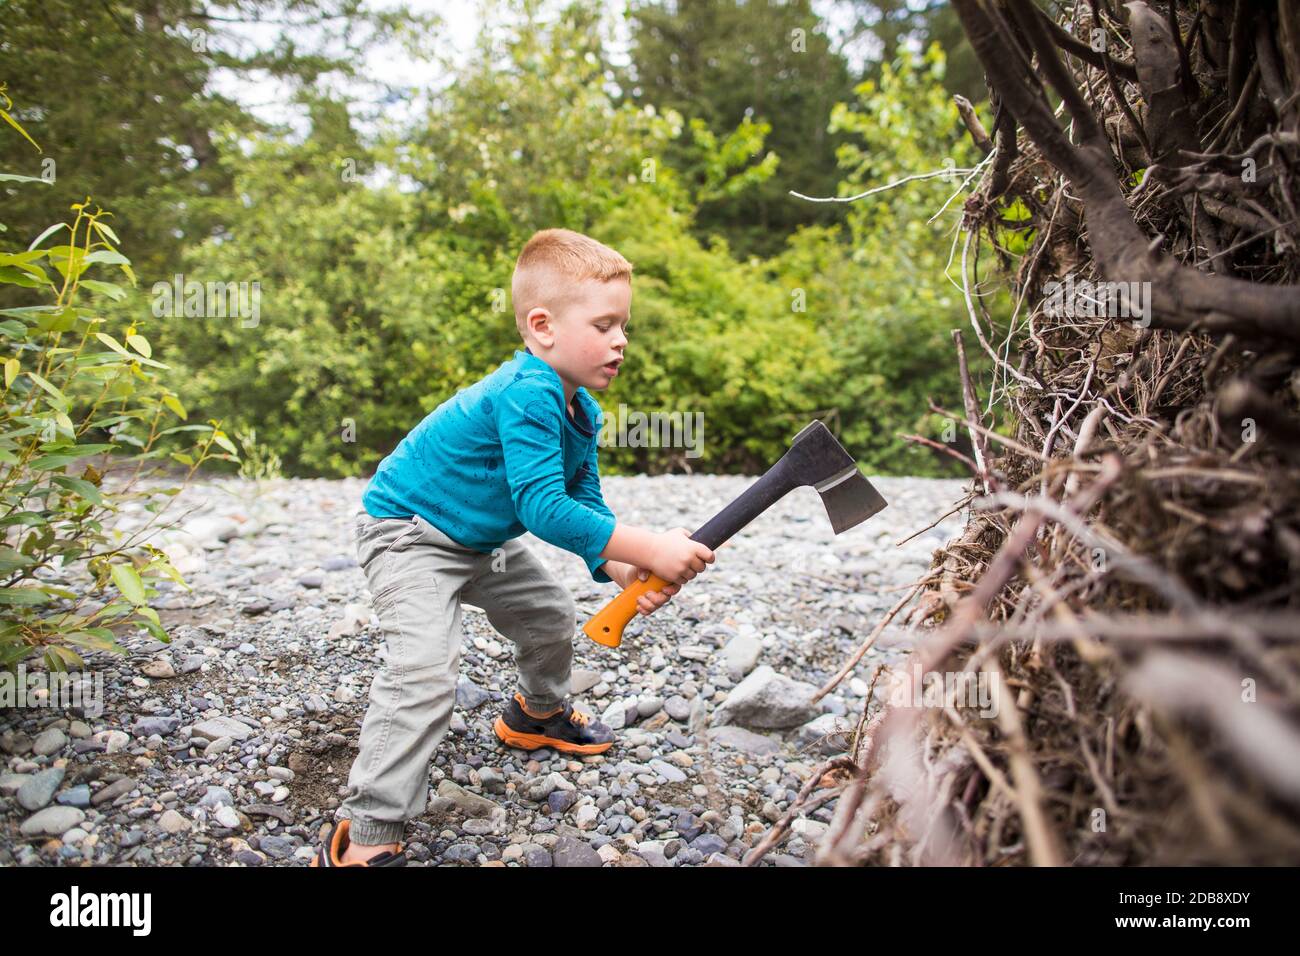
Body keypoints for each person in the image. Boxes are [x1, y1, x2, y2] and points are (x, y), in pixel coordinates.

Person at [311, 228, 715, 866]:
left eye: (625, 325)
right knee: (422, 672)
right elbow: (541, 508)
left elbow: (582, 501)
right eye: (605, 324)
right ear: (543, 326)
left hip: (481, 542)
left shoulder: (580, 408)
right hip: (408, 534)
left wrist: (618, 561)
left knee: (549, 616)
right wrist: (651, 544)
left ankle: (535, 714)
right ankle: (367, 829)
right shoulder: (525, 392)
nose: (621, 340)